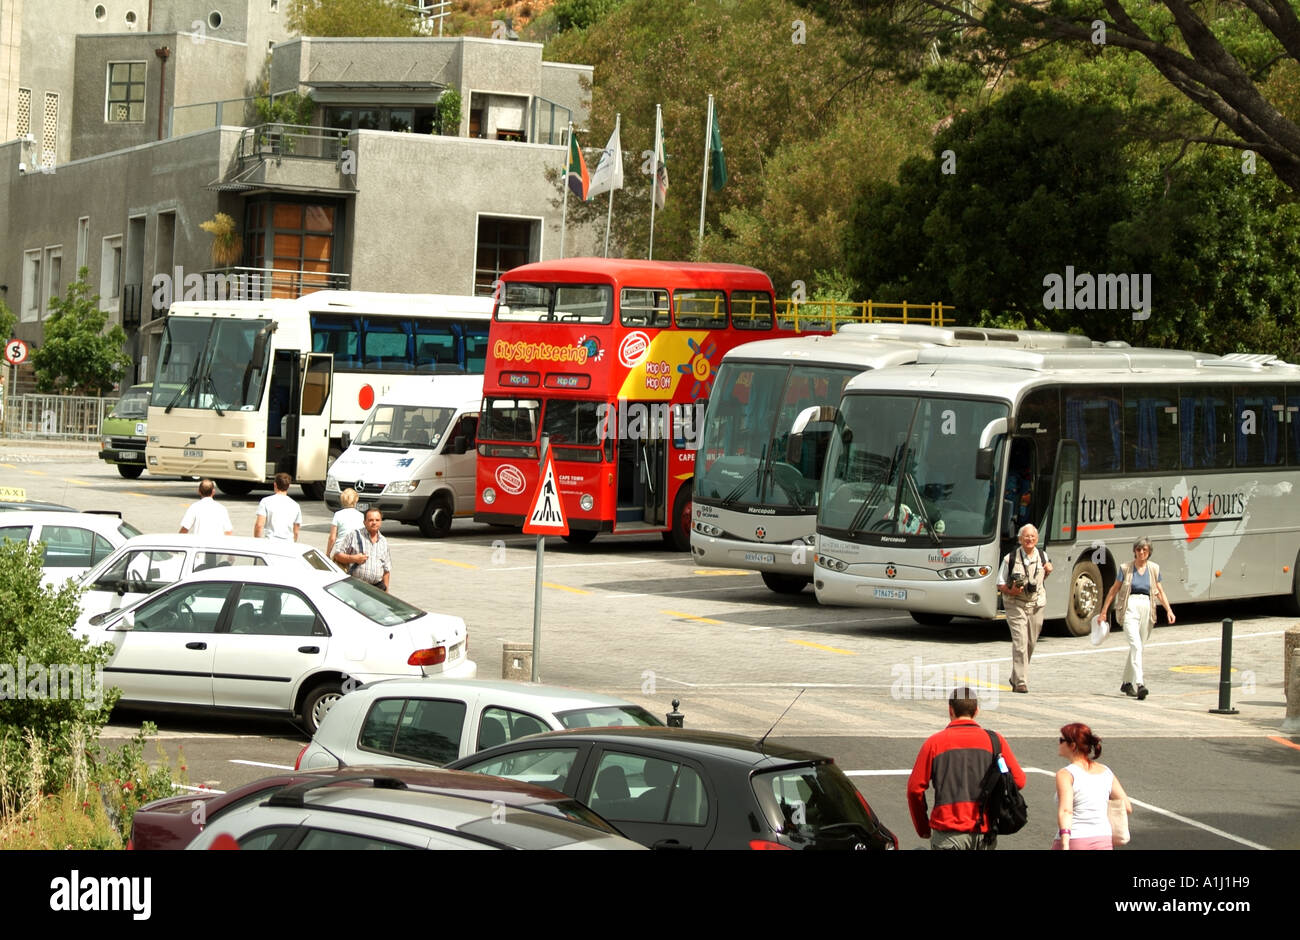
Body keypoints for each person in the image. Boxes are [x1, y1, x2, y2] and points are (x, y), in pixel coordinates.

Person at [907, 687, 1027, 850]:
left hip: (948, 833)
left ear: (950, 710)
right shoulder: (995, 741)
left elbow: (914, 789)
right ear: (976, 711)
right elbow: (1019, 781)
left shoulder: (934, 743)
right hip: (984, 833)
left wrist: (923, 828)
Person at [1099, 536, 1174, 700]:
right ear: (1134, 551)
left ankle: (1126, 682)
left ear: (1149, 552)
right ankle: (1140, 683)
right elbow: (1114, 590)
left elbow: (1160, 591)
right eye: (1138, 549)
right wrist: (1104, 612)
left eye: (1144, 550)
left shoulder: (1154, 569)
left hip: (1147, 607)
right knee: (1136, 646)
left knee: (1138, 647)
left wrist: (1169, 610)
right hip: (1130, 607)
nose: (1141, 552)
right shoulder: (1125, 568)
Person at [1053, 722, 1131, 850]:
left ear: (1072, 745)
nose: (1059, 743)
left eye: (1061, 740)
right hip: (1103, 838)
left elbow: (1066, 811)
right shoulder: (1106, 771)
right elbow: (1126, 807)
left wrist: (1065, 843)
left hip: (1076, 839)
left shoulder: (1066, 774)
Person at [997, 523, 1052, 693]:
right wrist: (1010, 590)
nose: (1029, 539)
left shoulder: (1043, 556)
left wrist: (1049, 570)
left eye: (1033, 536)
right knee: (1020, 642)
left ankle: (1014, 676)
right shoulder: (1010, 558)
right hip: (1015, 603)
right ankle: (1021, 682)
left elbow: (1042, 578)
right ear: (1020, 539)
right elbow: (999, 583)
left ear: (1037, 539)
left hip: (1037, 603)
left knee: (1030, 643)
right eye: (1026, 537)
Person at [333, 507, 391, 591]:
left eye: (377, 520)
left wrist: (386, 593)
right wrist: (353, 558)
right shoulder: (354, 535)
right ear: (364, 522)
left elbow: (387, 570)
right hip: (356, 587)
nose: (374, 523)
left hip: (377, 588)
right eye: (371, 520)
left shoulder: (383, 541)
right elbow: (337, 555)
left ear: (381, 522)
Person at [254, 472, 301, 541]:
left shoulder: (265, 501)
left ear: (275, 485)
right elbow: (296, 530)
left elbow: (259, 525)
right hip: (288, 543)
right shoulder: (295, 505)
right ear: (288, 486)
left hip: (271, 541)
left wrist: (257, 541)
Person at [326, 488, 365, 557]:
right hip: (356, 550)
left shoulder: (337, 515)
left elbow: (332, 538)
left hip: (341, 550)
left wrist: (328, 553)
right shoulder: (361, 515)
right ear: (356, 500)